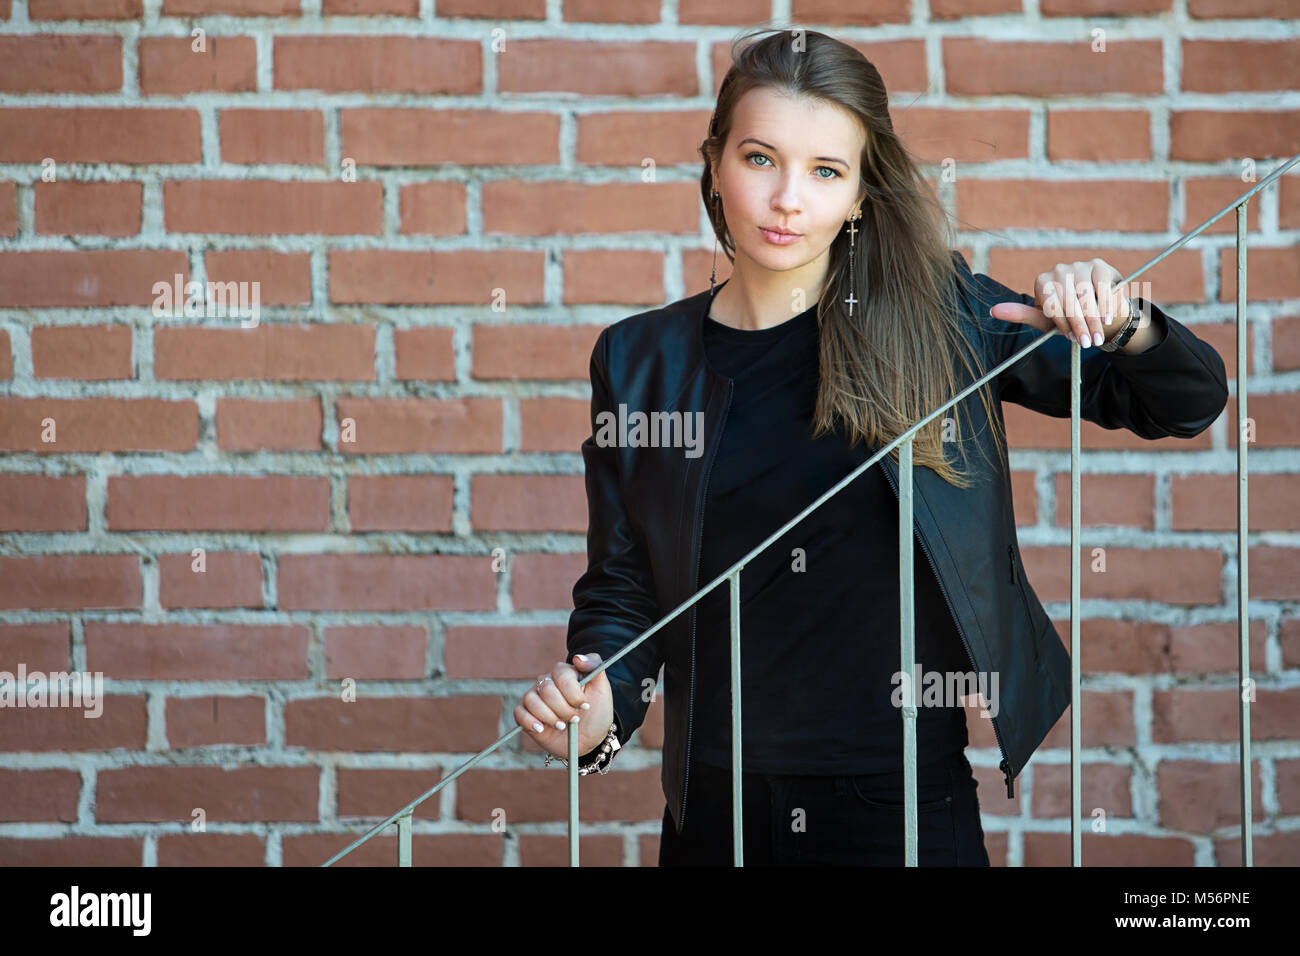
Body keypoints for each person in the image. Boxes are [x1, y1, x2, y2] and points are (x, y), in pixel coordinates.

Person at [511, 27, 1229, 866]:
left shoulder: (944, 319)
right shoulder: (638, 360)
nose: (787, 199)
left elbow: (1186, 401)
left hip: (899, 803)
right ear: (713, 164)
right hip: (715, 805)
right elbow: (626, 586)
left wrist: (1127, 321)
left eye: (825, 170)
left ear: (858, 194)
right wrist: (601, 712)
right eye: (759, 159)